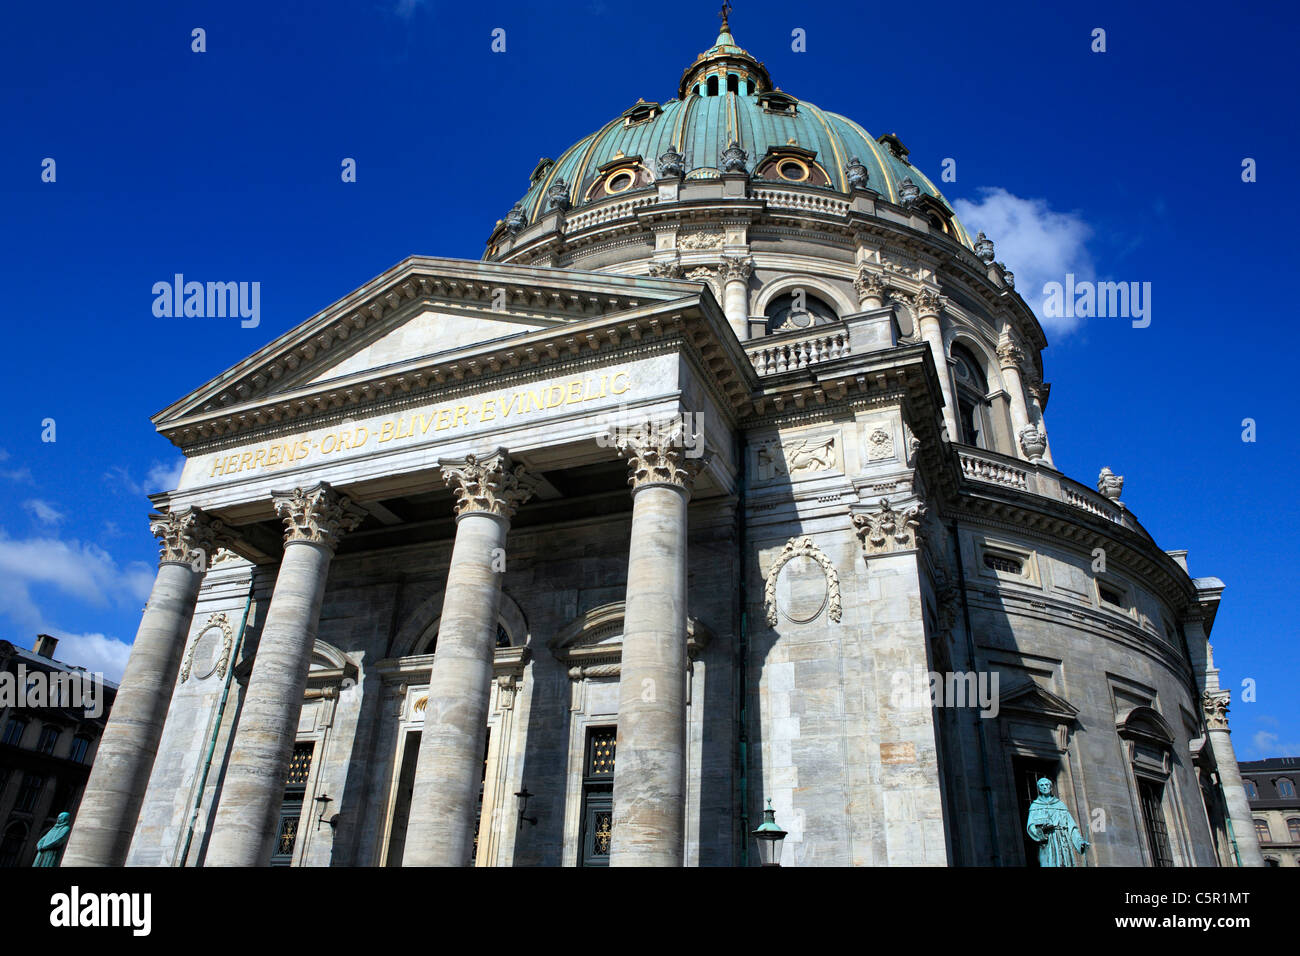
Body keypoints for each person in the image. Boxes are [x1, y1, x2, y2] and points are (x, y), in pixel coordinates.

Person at [1026, 778, 1090, 866]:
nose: (1045, 787)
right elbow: (1031, 827)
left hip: (1063, 839)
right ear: (1039, 788)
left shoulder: (1060, 805)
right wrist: (1041, 831)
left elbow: (1071, 827)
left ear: (1051, 787)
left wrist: (1080, 842)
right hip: (1048, 840)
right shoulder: (1035, 806)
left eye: (1047, 785)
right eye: (1042, 785)